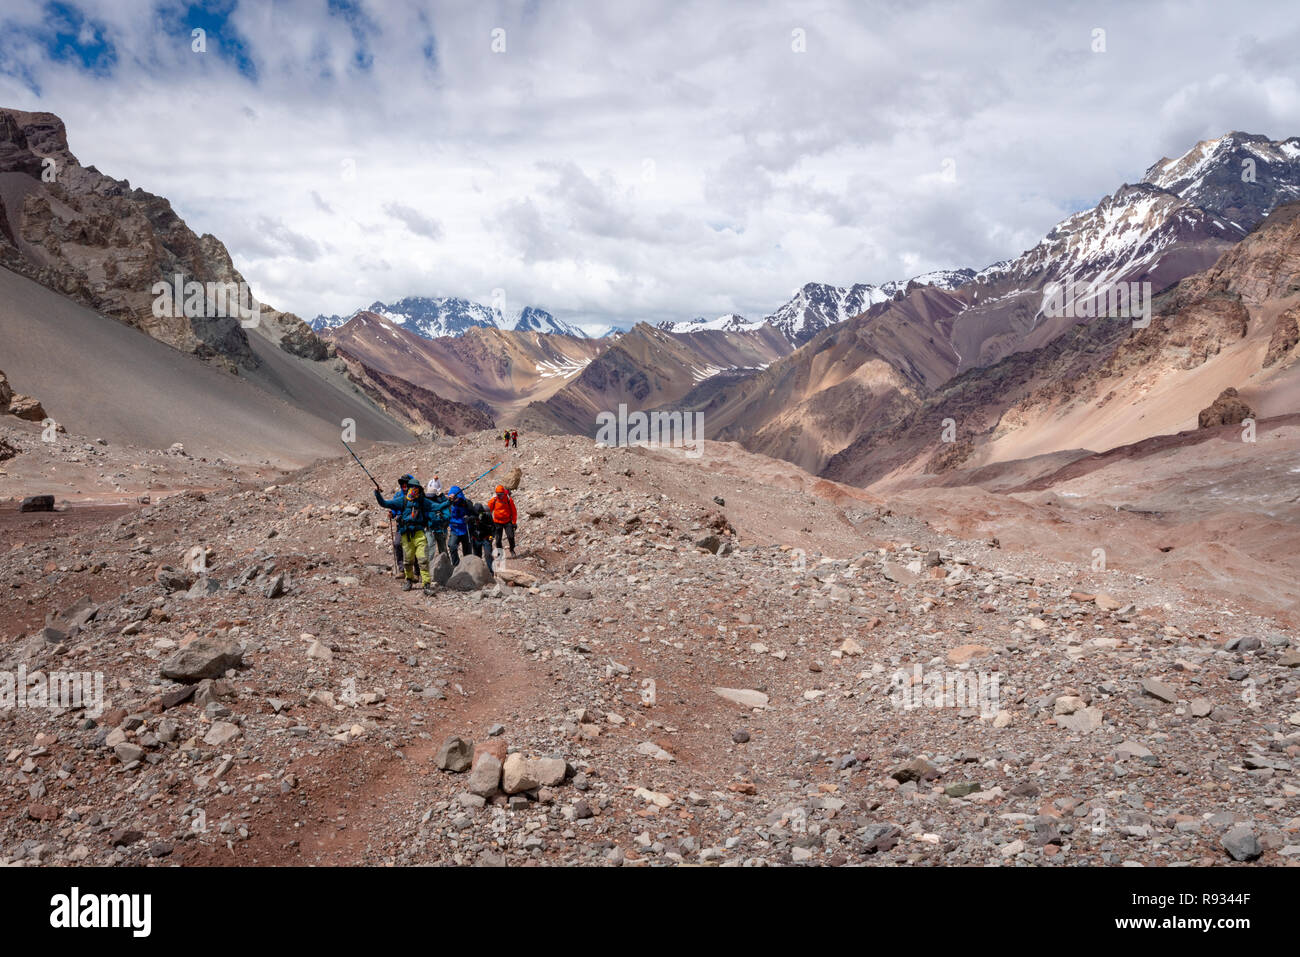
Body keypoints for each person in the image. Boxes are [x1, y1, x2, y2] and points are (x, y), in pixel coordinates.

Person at [373, 477, 436, 593]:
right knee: (407, 557)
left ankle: (424, 582)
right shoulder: (401, 498)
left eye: (415, 488)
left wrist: (448, 502)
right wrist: (377, 494)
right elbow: (386, 504)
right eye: (404, 485)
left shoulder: (421, 500)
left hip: (418, 531)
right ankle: (408, 578)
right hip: (405, 532)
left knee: (422, 558)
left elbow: (435, 507)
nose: (411, 489)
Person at [386, 474, 413, 578]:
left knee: (412, 547)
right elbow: (393, 508)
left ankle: (416, 572)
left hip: (412, 525)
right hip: (400, 525)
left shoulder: (415, 496)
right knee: (397, 544)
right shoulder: (397, 495)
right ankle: (402, 570)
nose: (404, 485)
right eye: (402, 483)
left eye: (406, 483)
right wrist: (392, 514)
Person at [445, 485, 477, 566]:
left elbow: (475, 516)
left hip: (466, 530)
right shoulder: (449, 503)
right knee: (452, 546)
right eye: (453, 499)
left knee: (467, 551)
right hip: (455, 530)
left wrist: (469, 518)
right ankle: (456, 565)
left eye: (456, 498)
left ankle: (467, 566)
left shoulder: (467, 503)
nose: (454, 500)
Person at [487, 484, 518, 558]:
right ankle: (500, 553)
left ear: (504, 493)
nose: (499, 496)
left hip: (507, 521)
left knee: (511, 536)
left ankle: (512, 549)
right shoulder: (494, 500)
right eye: (498, 494)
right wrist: (488, 522)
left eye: (501, 494)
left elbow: (514, 511)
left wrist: (514, 522)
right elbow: (488, 510)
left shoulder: (508, 499)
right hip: (497, 522)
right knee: (498, 540)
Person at [425, 480, 451, 556]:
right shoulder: (427, 504)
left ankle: (446, 565)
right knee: (430, 550)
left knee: (443, 550)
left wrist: (439, 517)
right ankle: (430, 567)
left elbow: (447, 516)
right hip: (430, 530)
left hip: (441, 530)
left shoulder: (441, 503)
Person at [471, 503, 498, 573]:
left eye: (480, 513)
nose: (479, 515)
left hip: (486, 538)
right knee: (477, 556)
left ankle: (492, 571)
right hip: (475, 538)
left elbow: (493, 528)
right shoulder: (472, 517)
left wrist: (491, 538)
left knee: (488, 554)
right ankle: (478, 572)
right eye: (477, 513)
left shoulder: (488, 516)